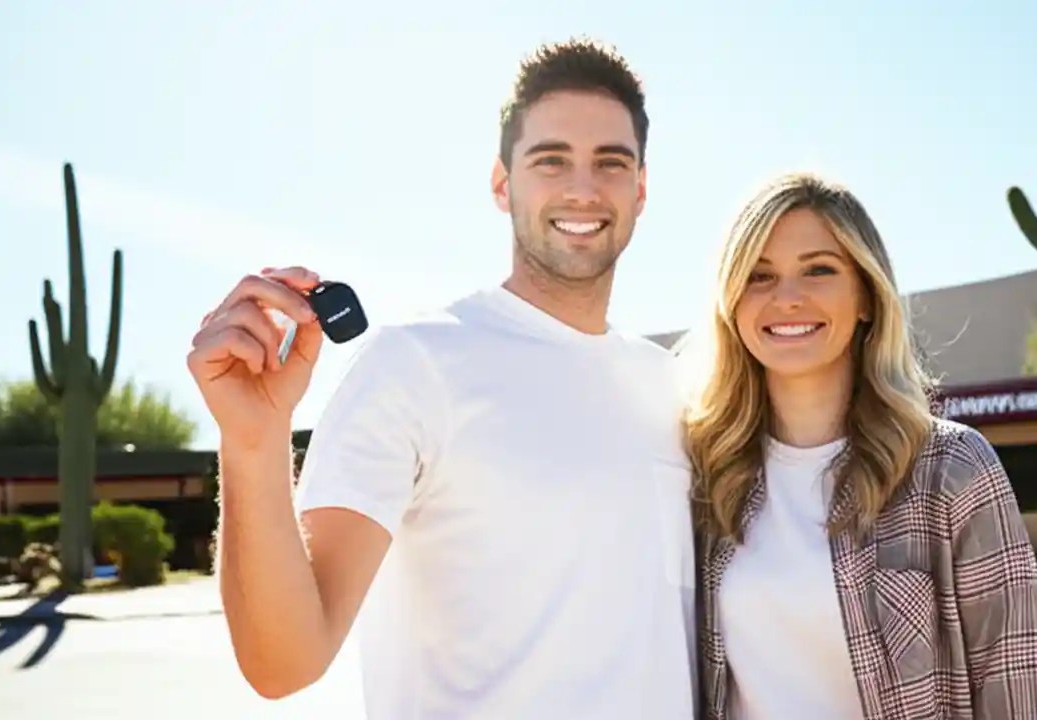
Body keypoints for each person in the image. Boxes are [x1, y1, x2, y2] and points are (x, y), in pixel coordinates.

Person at [186, 38, 697, 720]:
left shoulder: (672, 383)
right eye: (551, 160)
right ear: (500, 183)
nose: (582, 188)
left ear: (639, 190)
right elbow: (284, 663)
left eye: (611, 162)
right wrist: (252, 443)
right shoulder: (413, 366)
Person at [681, 172, 1037, 719]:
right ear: (731, 303)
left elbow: (1016, 685)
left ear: (865, 296)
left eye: (819, 270)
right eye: (759, 276)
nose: (787, 298)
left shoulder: (950, 470)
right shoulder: (705, 477)